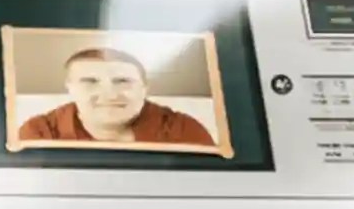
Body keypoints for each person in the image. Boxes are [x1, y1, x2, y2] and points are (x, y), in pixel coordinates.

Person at [18, 46, 215, 145]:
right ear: (70, 89)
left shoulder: (183, 130)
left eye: (123, 81)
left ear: (144, 88)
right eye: (89, 82)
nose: (110, 95)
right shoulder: (40, 132)